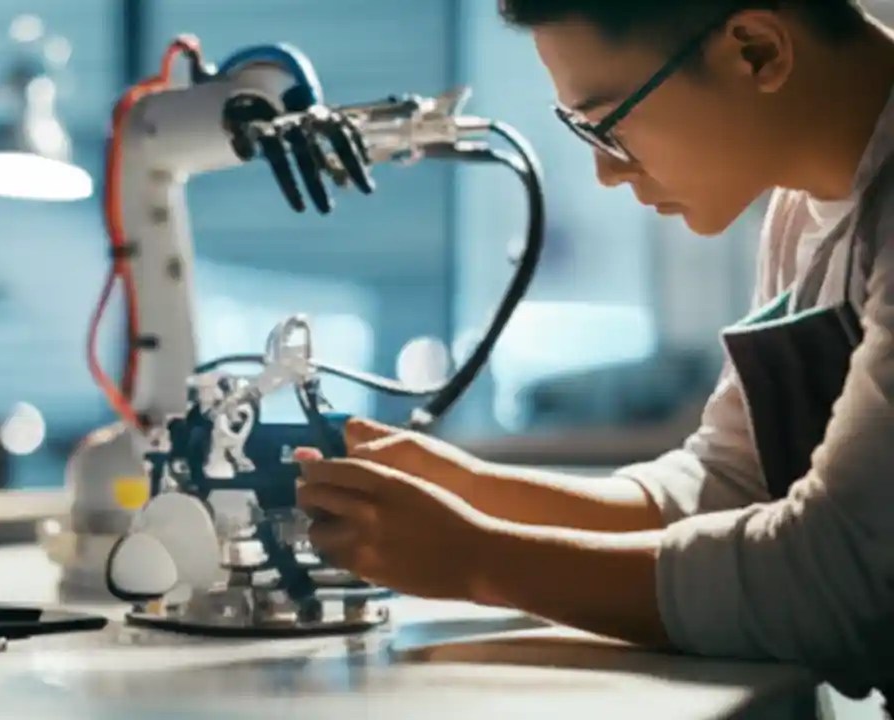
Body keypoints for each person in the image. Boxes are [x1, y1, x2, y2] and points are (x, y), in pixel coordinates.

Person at [295, 0, 894, 703]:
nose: (607, 173)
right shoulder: (806, 207)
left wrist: (479, 559)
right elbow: (735, 482)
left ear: (756, 51)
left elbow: (844, 581)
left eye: (609, 123)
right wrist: (467, 489)